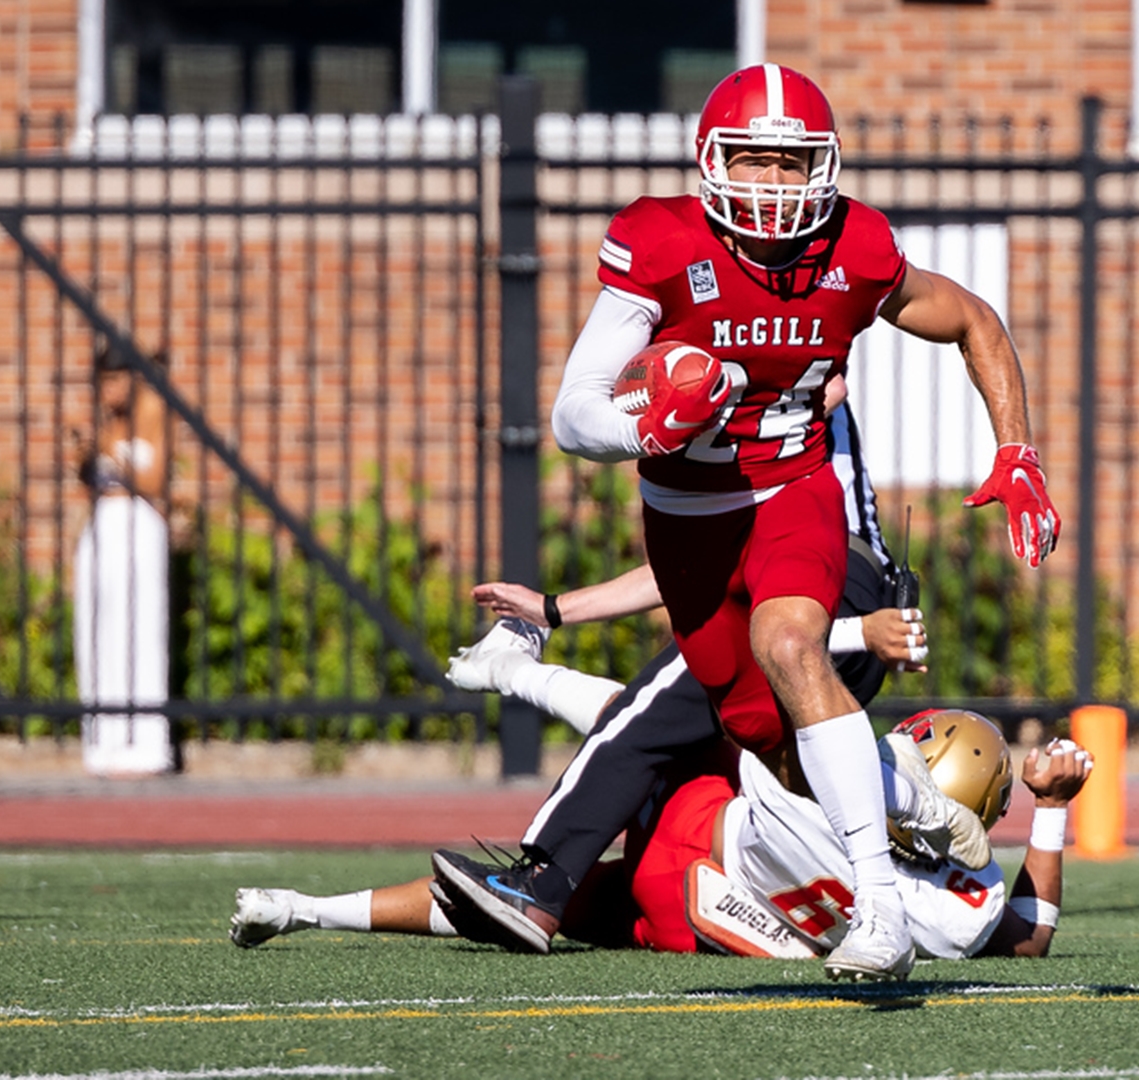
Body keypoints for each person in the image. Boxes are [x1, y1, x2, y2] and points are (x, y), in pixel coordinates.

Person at [519, 62, 1059, 982]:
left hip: (790, 489)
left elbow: (974, 319)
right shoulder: (661, 242)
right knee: (768, 740)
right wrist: (640, 426)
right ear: (711, 161)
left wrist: (1017, 451)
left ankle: (881, 910)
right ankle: (917, 805)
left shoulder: (855, 249)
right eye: (754, 161)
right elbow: (572, 412)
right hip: (687, 517)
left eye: (790, 163)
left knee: (794, 643)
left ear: (826, 166)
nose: (772, 185)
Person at [430, 403, 983, 956]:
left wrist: (859, 631)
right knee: (753, 756)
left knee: (642, 720)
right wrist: (553, 609)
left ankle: (542, 889)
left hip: (833, 588)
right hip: (837, 592)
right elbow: (682, 570)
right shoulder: (750, 422)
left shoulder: (772, 396)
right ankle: (893, 814)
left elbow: (830, 377)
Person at [231, 710, 1093, 962]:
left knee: (663, 716)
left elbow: (648, 708)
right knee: (510, 910)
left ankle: (307, 905)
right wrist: (1052, 806)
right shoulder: (952, 912)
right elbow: (1031, 936)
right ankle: (303, 908)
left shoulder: (821, 781)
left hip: (705, 823)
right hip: (695, 918)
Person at [68, 342, 173, 778]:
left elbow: (155, 478)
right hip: (103, 523)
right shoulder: (109, 422)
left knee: (139, 631)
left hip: (138, 522)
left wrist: (113, 460)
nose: (107, 392)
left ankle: (145, 745)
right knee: (96, 631)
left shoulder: (154, 412)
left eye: (113, 380)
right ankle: (103, 741)